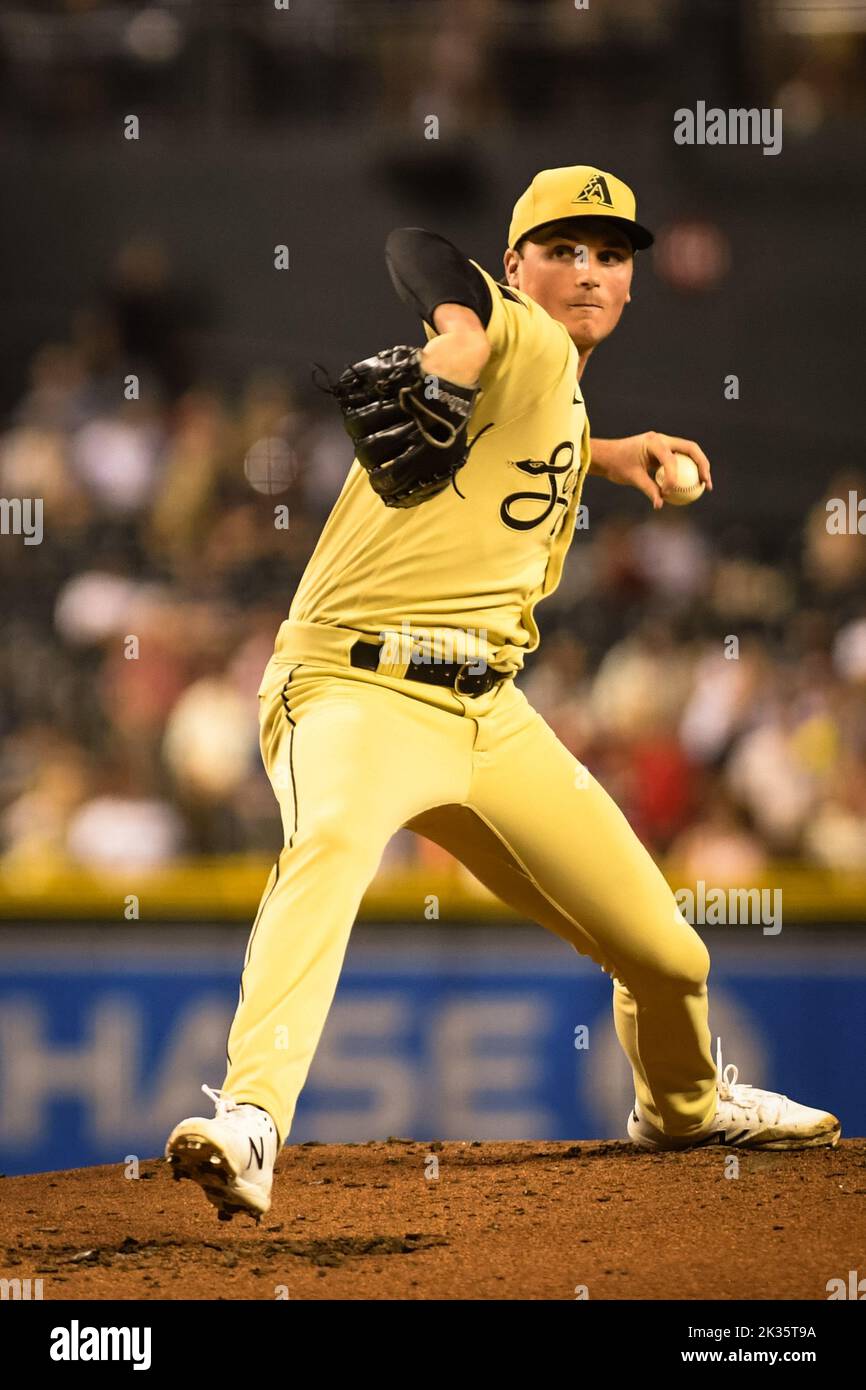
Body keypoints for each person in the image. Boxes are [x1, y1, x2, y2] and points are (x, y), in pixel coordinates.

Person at [165, 165, 840, 1222]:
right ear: (516, 266)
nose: (587, 273)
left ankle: (680, 1105)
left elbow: (530, 446)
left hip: (488, 715)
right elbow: (419, 250)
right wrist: (458, 331)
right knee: (333, 844)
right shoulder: (510, 334)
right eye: (562, 250)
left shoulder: (559, 395)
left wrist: (608, 456)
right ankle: (250, 1114)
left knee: (668, 954)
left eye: (610, 256)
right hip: (354, 685)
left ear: (629, 285)